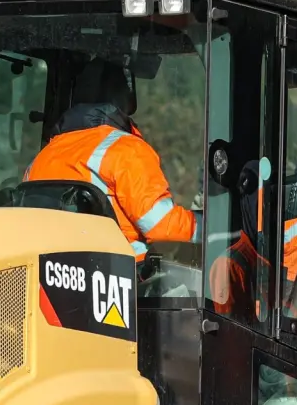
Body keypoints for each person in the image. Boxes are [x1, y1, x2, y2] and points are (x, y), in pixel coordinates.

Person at [25, 60, 197, 257]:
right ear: (124, 99)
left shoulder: (42, 157)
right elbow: (163, 226)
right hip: (123, 273)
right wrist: (210, 227)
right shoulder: (126, 150)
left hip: (50, 272)